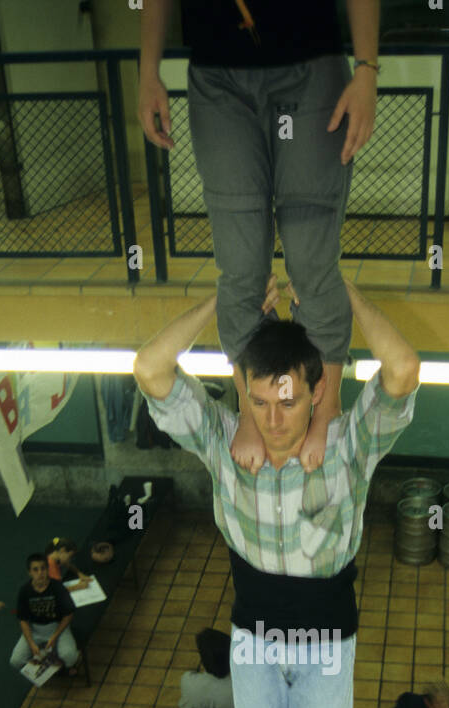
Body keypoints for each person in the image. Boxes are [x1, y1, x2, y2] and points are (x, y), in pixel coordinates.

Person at [133, 284, 419, 708]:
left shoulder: (347, 447)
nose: (274, 420)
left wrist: (344, 294)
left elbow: (404, 367)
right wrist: (224, 300)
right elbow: (150, 367)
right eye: (260, 402)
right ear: (245, 395)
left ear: (316, 392)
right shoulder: (225, 441)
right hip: (256, 638)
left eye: (287, 403)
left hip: (326, 643)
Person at [138, 0, 380, 472]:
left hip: (310, 63)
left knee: (310, 261)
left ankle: (326, 407)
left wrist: (367, 68)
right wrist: (147, 70)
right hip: (217, 74)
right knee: (241, 264)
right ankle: (249, 408)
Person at [10, 552, 79, 677]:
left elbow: (68, 615)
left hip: (57, 627)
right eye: (35, 570)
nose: (40, 573)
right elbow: (23, 619)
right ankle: (45, 667)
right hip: (35, 629)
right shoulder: (24, 591)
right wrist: (31, 642)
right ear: (29, 572)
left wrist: (54, 637)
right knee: (16, 661)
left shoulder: (58, 588)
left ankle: (62, 666)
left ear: (47, 570)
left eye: (43, 568)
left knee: (70, 656)